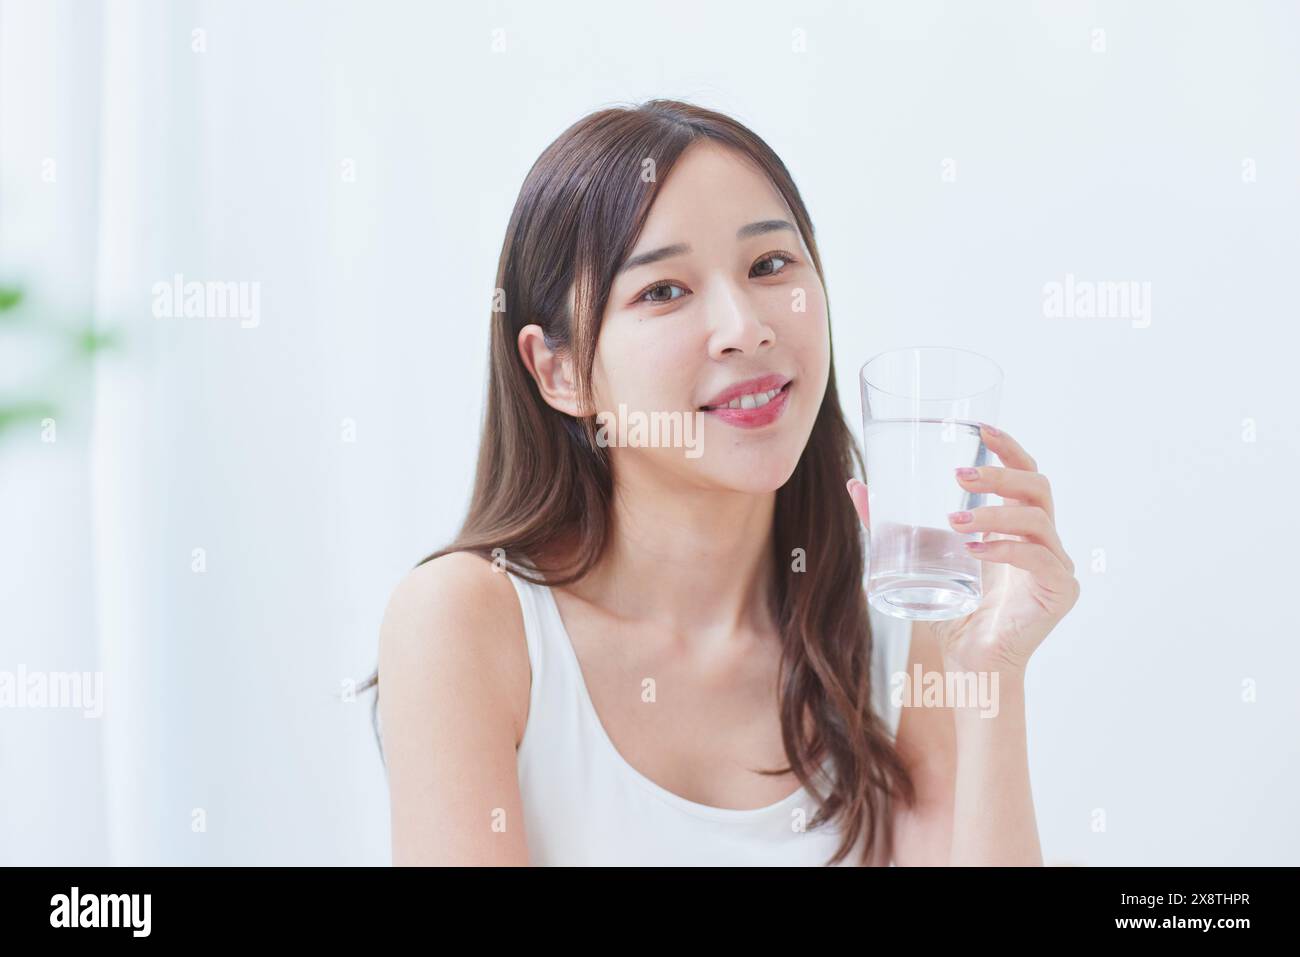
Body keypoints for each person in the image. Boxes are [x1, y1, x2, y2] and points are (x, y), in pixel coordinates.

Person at [371, 99, 1079, 866]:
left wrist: (989, 674)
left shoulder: (904, 624)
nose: (745, 325)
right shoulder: (467, 623)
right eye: (664, 290)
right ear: (560, 370)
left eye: (770, 265)